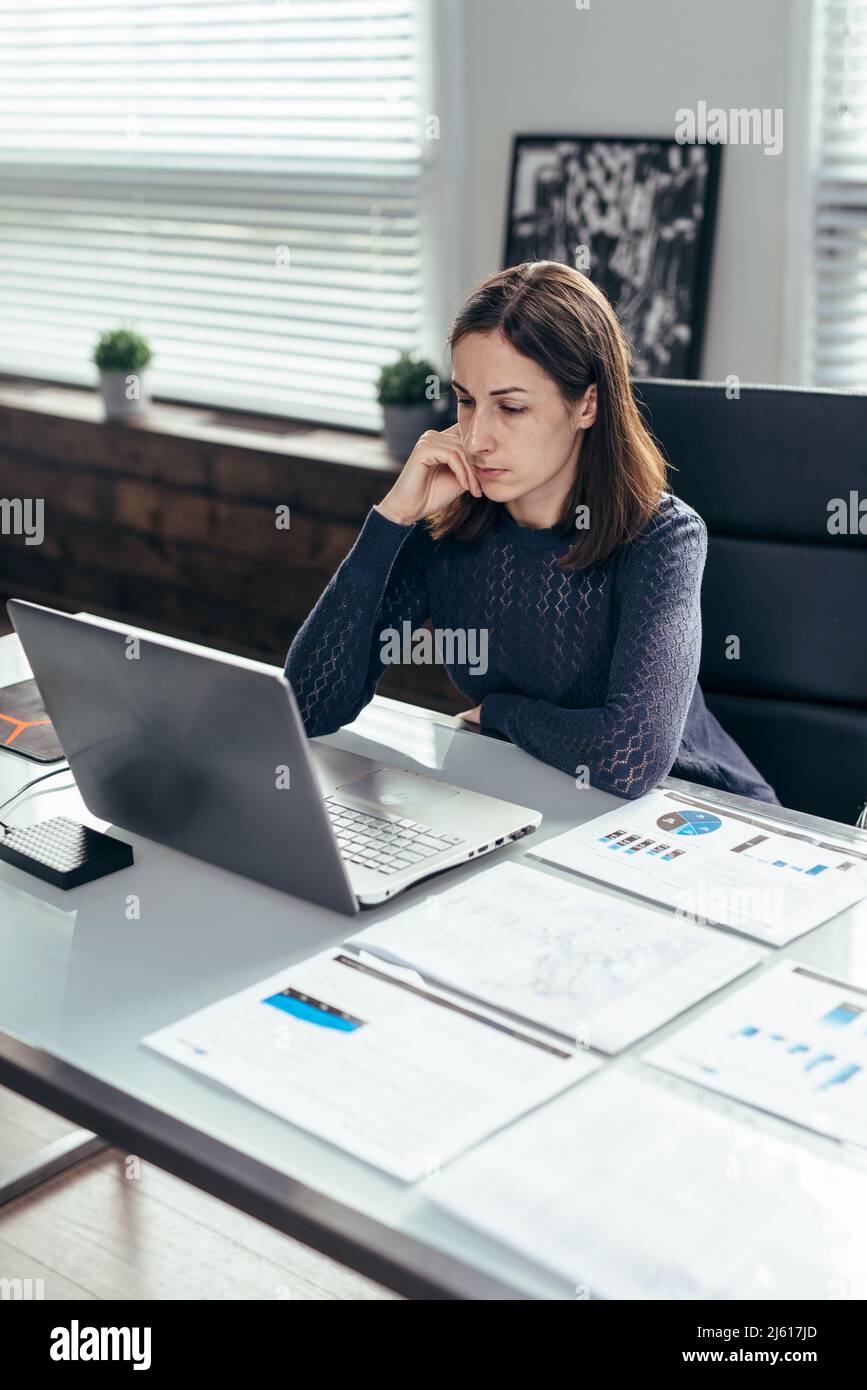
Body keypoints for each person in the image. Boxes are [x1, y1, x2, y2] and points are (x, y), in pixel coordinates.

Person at [285, 260, 779, 804]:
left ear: (587, 403)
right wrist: (391, 520)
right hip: (548, 803)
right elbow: (307, 704)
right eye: (466, 401)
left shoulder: (663, 539)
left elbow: (630, 757)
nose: (475, 439)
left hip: (696, 816)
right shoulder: (448, 530)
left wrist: (500, 712)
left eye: (511, 407)